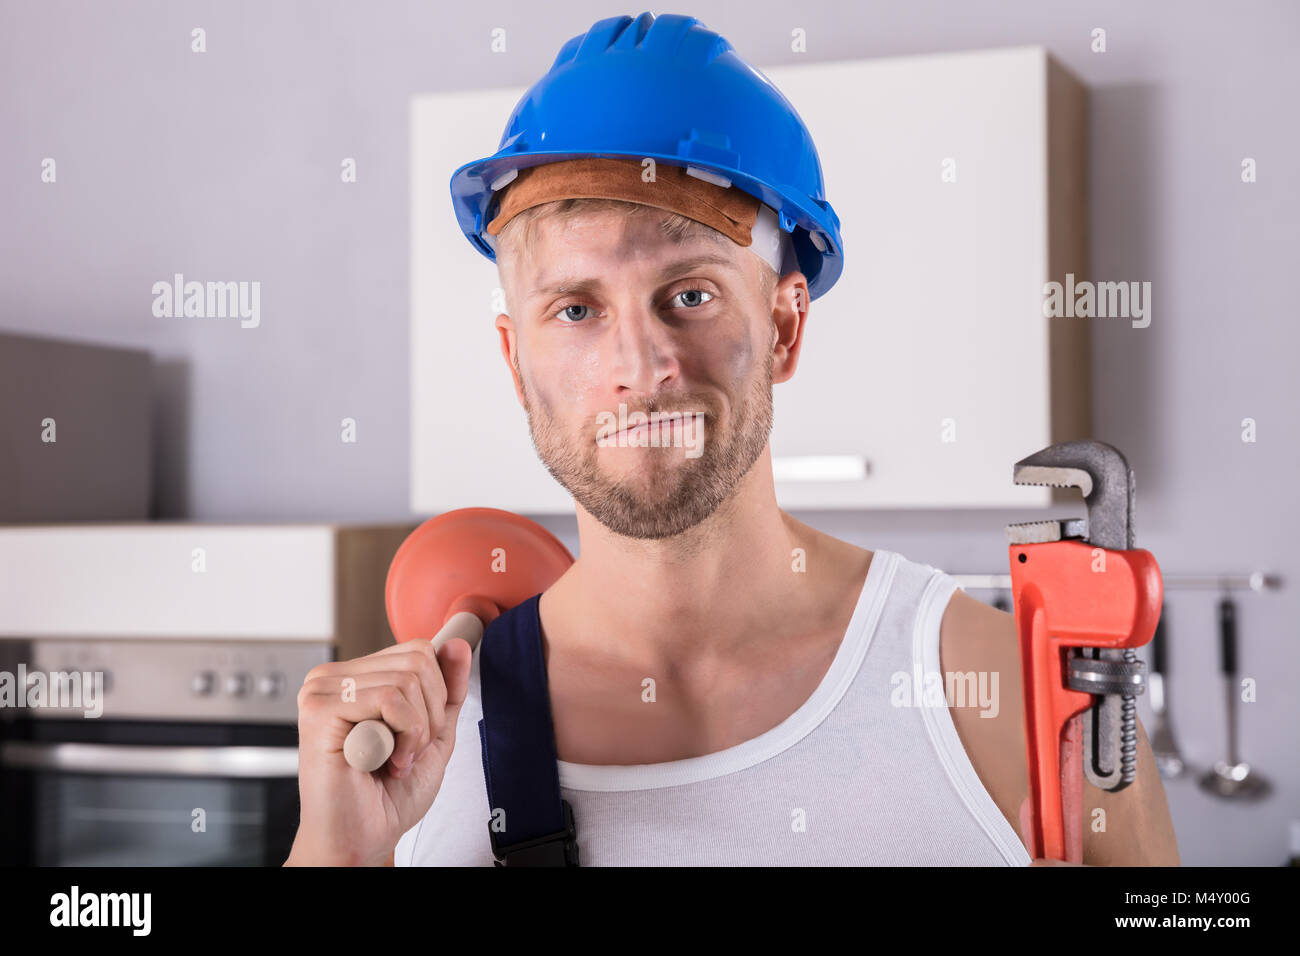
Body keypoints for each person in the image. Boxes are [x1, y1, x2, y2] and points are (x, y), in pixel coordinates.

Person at [285, 12, 1179, 867]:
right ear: (516, 361)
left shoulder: (1013, 699)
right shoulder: (411, 763)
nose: (642, 363)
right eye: (576, 308)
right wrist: (334, 856)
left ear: (785, 328)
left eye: (691, 294)